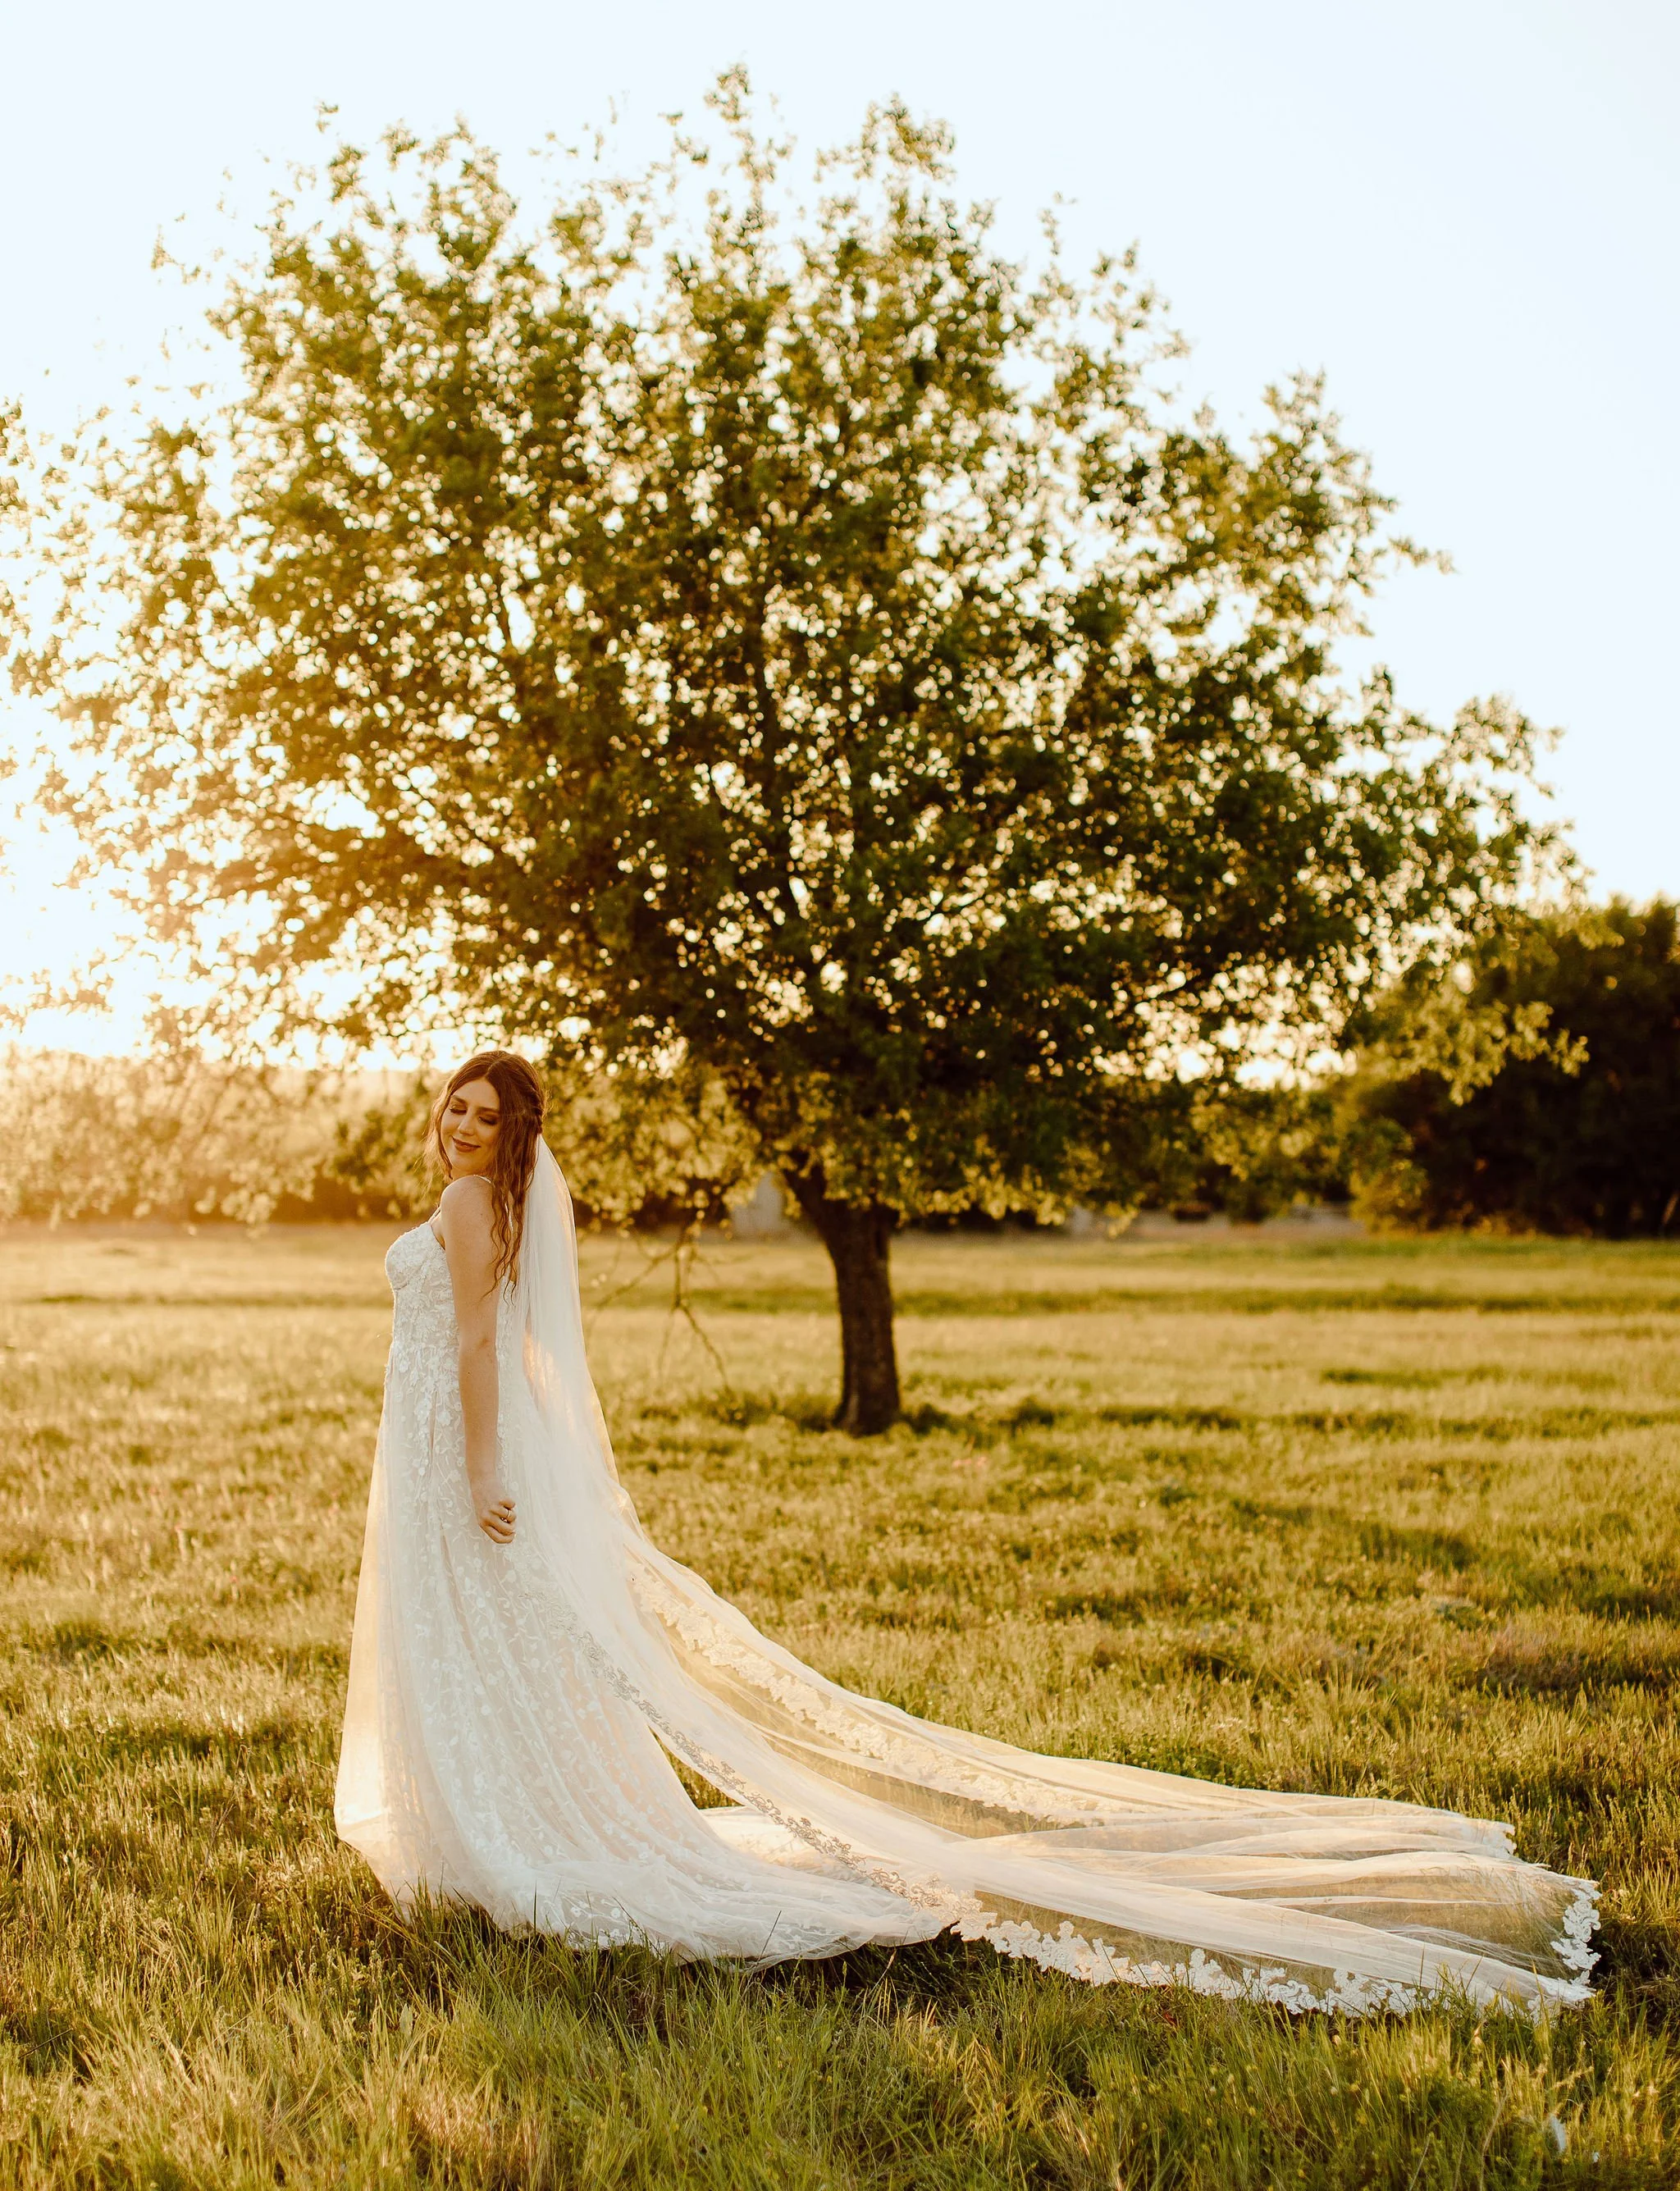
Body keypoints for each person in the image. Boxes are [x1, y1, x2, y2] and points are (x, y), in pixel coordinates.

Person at [336, 1050, 1598, 2013]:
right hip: (448, 1445)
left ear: (512, 1138)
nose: (458, 1123)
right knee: (488, 1643)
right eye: (454, 1104)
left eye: (481, 1115)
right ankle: (498, 1818)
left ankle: (507, 1835)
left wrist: (491, 1463)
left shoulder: (465, 1209)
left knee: (478, 1634)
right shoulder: (477, 1201)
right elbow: (503, 1340)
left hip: (461, 1450)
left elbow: (481, 1347)